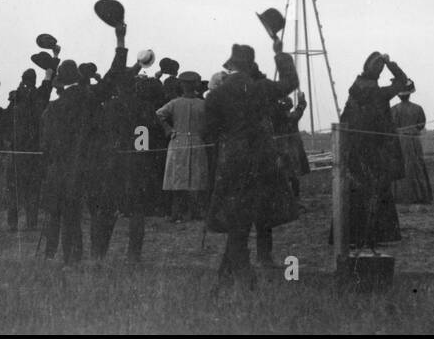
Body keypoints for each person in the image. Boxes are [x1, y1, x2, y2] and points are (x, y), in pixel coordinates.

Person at [204, 40, 300, 286]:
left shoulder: (216, 94)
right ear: (251, 65)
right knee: (246, 219)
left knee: (238, 220)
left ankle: (230, 279)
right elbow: (291, 83)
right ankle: (241, 279)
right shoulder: (261, 88)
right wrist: (280, 54)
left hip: (232, 161)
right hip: (263, 160)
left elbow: (208, 133)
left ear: (231, 66)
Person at [89, 21, 158, 261]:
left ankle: (99, 254)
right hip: (135, 162)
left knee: (106, 208)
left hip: (111, 161)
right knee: (136, 209)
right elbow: (145, 137)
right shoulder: (142, 107)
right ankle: (133, 255)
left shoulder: (107, 107)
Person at [339, 52, 408, 247]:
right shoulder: (379, 94)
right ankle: (374, 235)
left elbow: (344, 121)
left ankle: (353, 235)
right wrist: (390, 63)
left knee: (355, 192)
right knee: (377, 191)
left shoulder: (353, 94)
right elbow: (403, 81)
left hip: (356, 150)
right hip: (376, 151)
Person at [40, 60, 91, 264]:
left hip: (56, 166)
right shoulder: (85, 105)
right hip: (76, 165)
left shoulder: (52, 110)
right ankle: (73, 256)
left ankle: (50, 254)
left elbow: (45, 143)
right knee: (72, 215)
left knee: (54, 214)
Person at [156, 71, 210, 222]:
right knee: (193, 177)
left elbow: (159, 114)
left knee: (182, 178)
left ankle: (181, 213)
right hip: (193, 140)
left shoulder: (175, 102)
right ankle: (190, 212)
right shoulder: (201, 103)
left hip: (180, 141)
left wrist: (168, 129)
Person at [0, 69, 44, 232]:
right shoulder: (37, 97)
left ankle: (13, 224)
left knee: (15, 190)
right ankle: (31, 224)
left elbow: (3, 122)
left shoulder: (16, 100)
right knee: (32, 190)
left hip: (17, 152)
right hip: (33, 153)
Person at [391, 81, 433, 205]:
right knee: (416, 165)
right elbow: (421, 124)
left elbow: (392, 125)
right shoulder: (418, 108)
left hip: (400, 141)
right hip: (414, 140)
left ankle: (401, 196)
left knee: (402, 165)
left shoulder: (394, 109)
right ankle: (420, 194)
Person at [272, 89, 309, 198]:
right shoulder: (293, 117)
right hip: (292, 151)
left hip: (280, 150)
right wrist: (301, 98)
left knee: (282, 174)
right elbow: (301, 107)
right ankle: (295, 197)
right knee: (293, 175)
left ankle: (286, 197)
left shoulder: (275, 119)